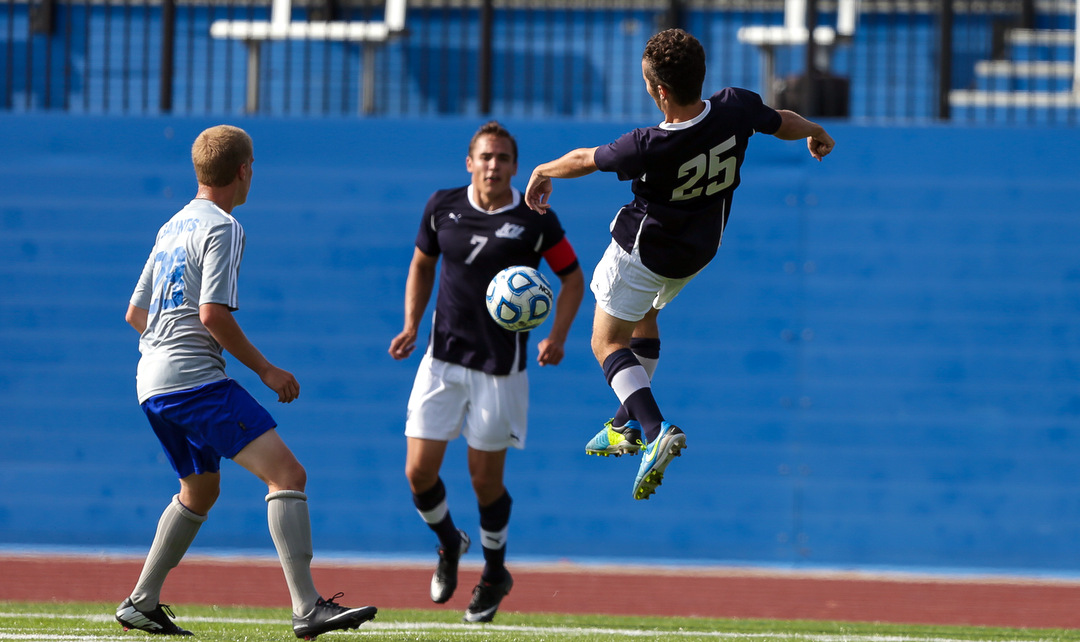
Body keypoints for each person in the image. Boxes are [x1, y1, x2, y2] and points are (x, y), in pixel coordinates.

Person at [524, 28, 835, 501]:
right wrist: (814, 130)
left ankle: (653, 429)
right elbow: (781, 121)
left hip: (644, 251)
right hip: (696, 252)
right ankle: (624, 425)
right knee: (644, 317)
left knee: (606, 342)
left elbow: (587, 159)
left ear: (659, 89)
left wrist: (543, 170)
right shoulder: (735, 106)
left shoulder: (648, 143)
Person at [117, 124, 377, 639]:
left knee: (200, 489)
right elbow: (212, 314)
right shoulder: (223, 227)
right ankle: (307, 608)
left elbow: (134, 313)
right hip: (193, 382)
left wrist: (169, 353)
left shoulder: (171, 226)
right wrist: (266, 370)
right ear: (244, 171)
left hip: (151, 380)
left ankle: (141, 601)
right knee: (288, 475)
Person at [389, 121, 585, 622]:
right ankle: (448, 543)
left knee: (484, 482)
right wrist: (412, 323)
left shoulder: (536, 219)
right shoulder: (442, 206)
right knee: (418, 472)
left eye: (502, 158)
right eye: (485, 156)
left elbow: (571, 278)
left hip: (501, 370)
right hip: (442, 359)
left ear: (515, 167)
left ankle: (495, 573)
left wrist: (557, 336)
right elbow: (421, 264)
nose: (493, 165)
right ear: (469, 162)